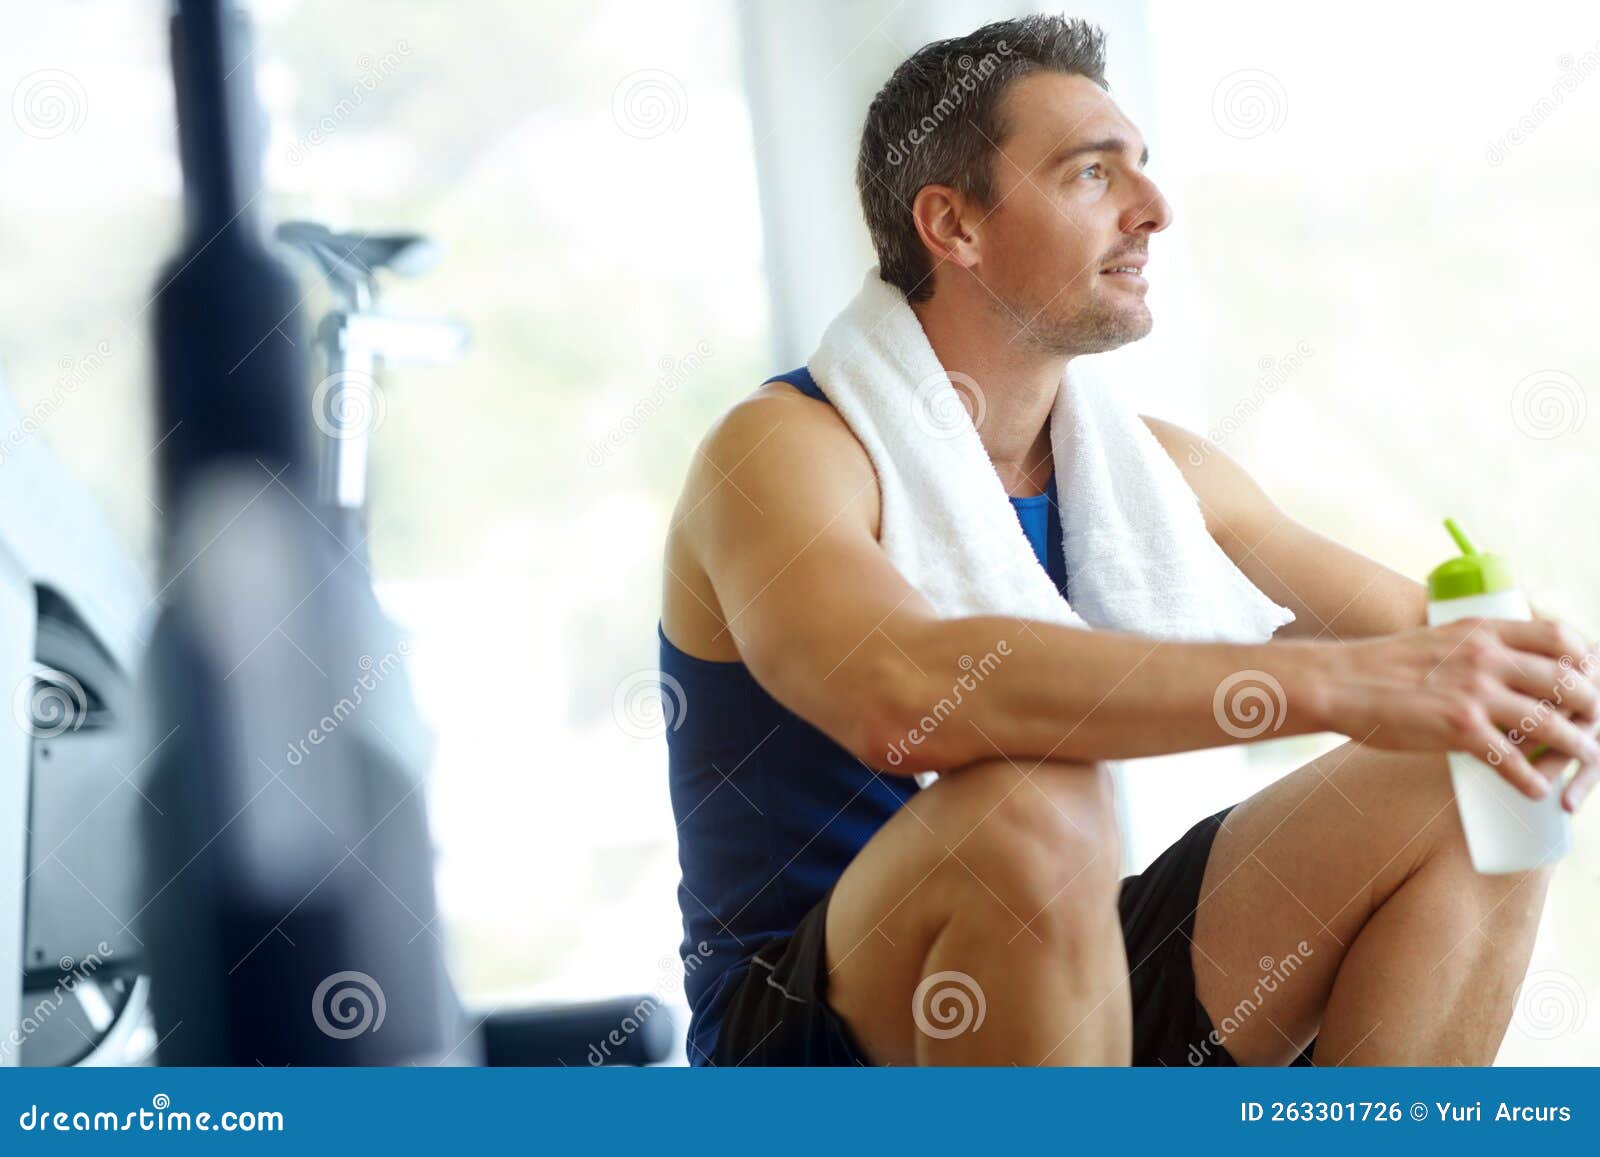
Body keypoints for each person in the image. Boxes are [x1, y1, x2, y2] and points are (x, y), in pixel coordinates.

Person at [658, 13, 1600, 1067]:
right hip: (808, 1028)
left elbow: (1434, 653)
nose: (1153, 210)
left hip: (1062, 976)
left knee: (1485, 769)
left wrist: (1530, 682)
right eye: (1092, 174)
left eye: (1140, 170)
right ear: (953, 226)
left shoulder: (1151, 474)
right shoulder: (783, 451)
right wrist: (1349, 684)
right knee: (1035, 796)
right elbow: (900, 693)